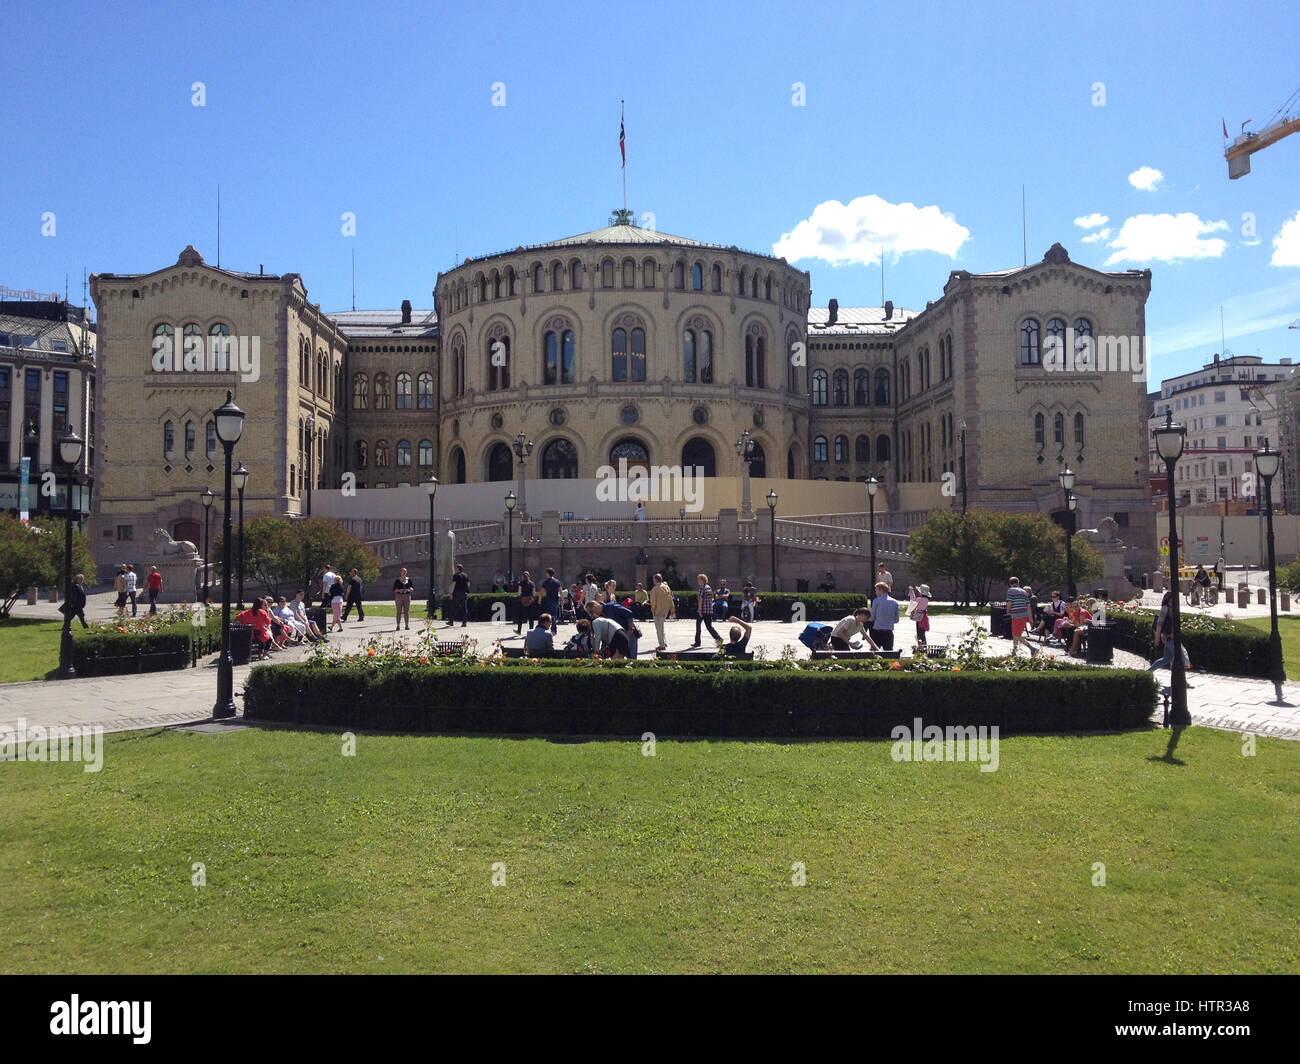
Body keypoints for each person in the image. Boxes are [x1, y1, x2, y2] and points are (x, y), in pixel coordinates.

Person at [1005, 576, 1036, 658]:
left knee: (1016, 635)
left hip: (1016, 616)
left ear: (1010, 584)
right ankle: (1014, 652)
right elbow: (1028, 606)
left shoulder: (1011, 591)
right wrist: (1030, 618)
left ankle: (1032, 648)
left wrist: (1007, 611)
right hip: (1024, 617)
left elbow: (1009, 603)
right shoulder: (1024, 592)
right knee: (1016, 634)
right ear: (1018, 583)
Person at [691, 573, 722, 646]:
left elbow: (700, 599)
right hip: (709, 610)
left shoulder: (702, 587)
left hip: (703, 610)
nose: (698, 581)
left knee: (698, 626)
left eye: (699, 579)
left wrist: (699, 610)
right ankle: (719, 640)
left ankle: (697, 642)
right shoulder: (709, 587)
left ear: (702, 580)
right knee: (709, 627)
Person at [869, 582, 900, 651]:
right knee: (889, 653)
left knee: (874, 654)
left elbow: (872, 618)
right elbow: (896, 620)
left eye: (876, 590)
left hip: (877, 632)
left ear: (881, 590)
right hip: (889, 632)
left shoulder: (876, 601)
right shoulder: (895, 602)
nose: (875, 592)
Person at [650, 572, 674, 651]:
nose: (653, 581)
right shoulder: (666, 587)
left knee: (659, 629)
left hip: (658, 611)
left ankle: (662, 645)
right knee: (662, 627)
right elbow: (670, 598)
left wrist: (653, 610)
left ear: (656, 580)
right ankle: (664, 642)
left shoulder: (655, 589)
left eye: (653, 579)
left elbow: (653, 602)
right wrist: (672, 609)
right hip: (665, 611)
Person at [541, 567, 563, 634]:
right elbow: (560, 591)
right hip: (556, 600)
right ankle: (554, 629)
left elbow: (542, 591)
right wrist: (562, 599)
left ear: (548, 574)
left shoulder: (545, 582)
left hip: (549, 600)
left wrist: (539, 599)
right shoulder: (557, 581)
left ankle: (548, 628)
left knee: (549, 615)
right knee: (554, 615)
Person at [449, 563, 470, 628]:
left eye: (456, 568)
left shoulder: (456, 575)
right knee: (464, 608)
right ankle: (464, 622)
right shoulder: (465, 575)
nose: (455, 569)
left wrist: (451, 593)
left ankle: (451, 621)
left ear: (458, 569)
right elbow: (468, 584)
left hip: (457, 593)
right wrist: (466, 591)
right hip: (464, 593)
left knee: (454, 607)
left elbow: (453, 584)